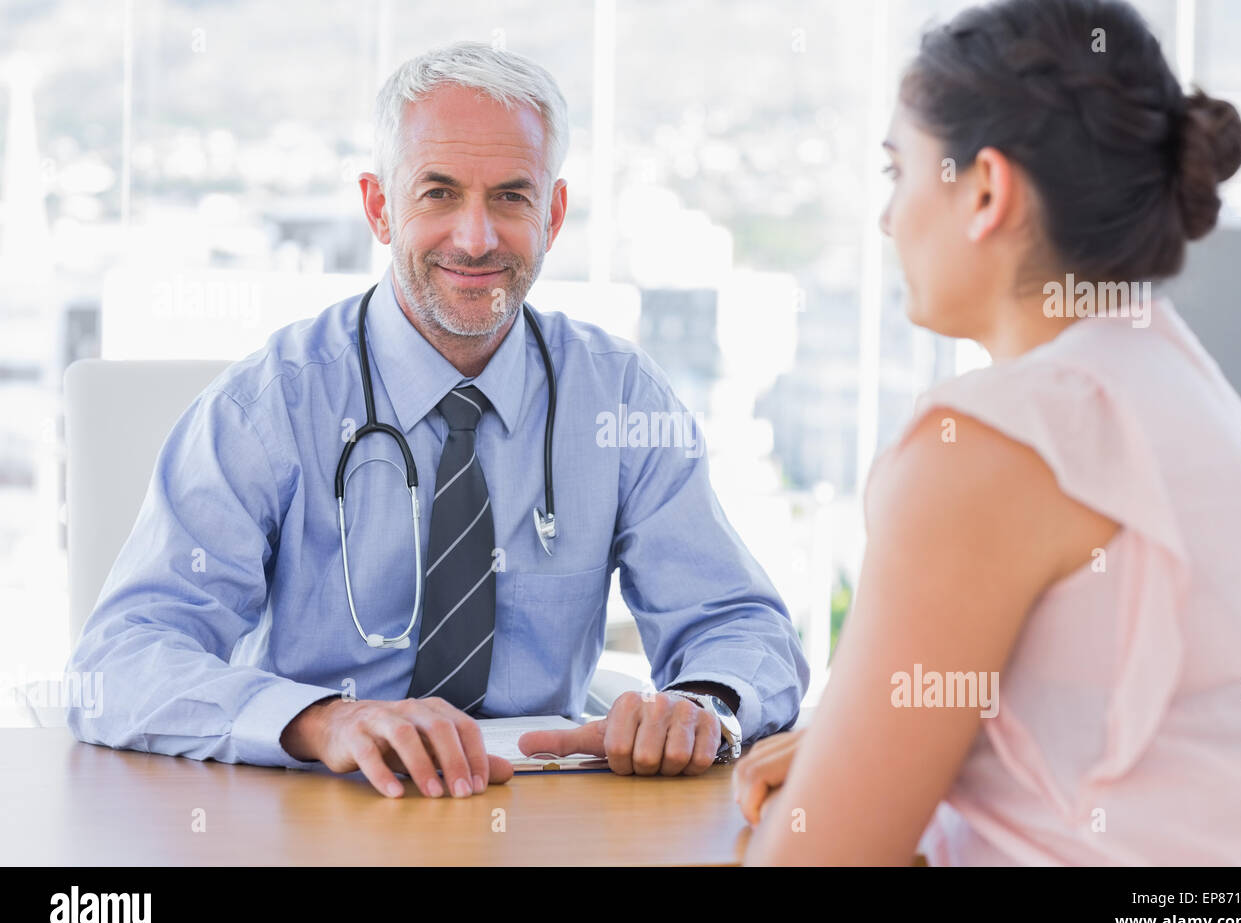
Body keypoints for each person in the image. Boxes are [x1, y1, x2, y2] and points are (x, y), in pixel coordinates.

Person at [67, 42, 808, 800]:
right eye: (439, 194)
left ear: (552, 214)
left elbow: (740, 624)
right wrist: (324, 722)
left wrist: (703, 704)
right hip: (318, 808)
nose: (477, 238)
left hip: (544, 810)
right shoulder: (269, 406)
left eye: (512, 197)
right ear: (380, 207)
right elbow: (120, 660)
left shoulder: (620, 401)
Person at [735, 0, 1241, 865]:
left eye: (899, 172)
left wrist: (827, 800)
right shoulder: (1166, 372)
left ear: (986, 190)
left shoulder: (993, 443)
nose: (888, 220)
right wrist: (890, 755)